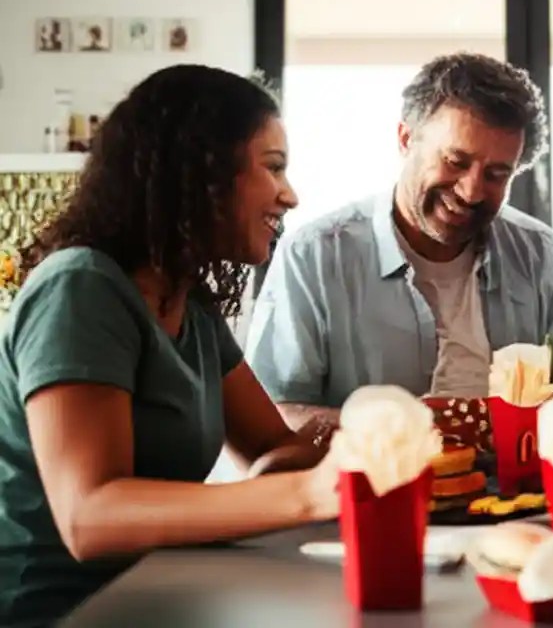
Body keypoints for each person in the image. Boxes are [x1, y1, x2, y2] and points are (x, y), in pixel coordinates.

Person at [0, 65, 340, 627]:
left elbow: (272, 448)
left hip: (158, 592)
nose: (291, 195)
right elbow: (92, 516)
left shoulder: (193, 308)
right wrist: (310, 492)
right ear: (200, 172)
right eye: (273, 167)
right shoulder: (81, 286)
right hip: (60, 612)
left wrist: (365, 437)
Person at [246, 52, 553, 430]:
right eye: (455, 161)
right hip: (370, 488)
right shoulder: (315, 257)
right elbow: (276, 414)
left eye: (497, 174)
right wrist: (411, 427)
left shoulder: (542, 258)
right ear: (406, 139)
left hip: (522, 490)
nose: (471, 191)